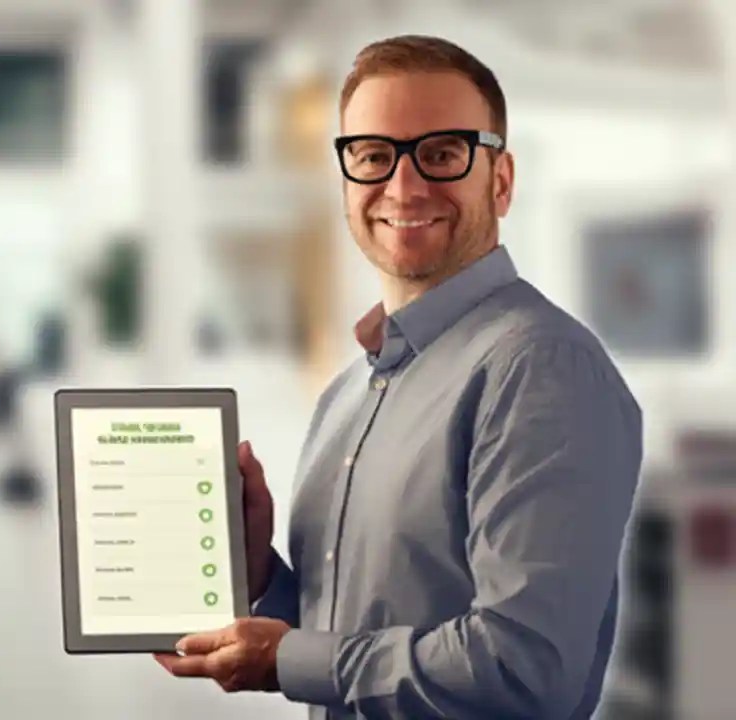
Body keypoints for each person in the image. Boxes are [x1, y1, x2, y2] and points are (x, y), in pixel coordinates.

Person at [155, 35, 642, 719]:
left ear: (500, 181)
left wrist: (283, 661)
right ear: (347, 181)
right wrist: (261, 574)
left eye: (443, 153)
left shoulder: (540, 368)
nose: (403, 186)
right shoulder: (352, 392)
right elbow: (359, 623)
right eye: (374, 155)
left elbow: (525, 667)